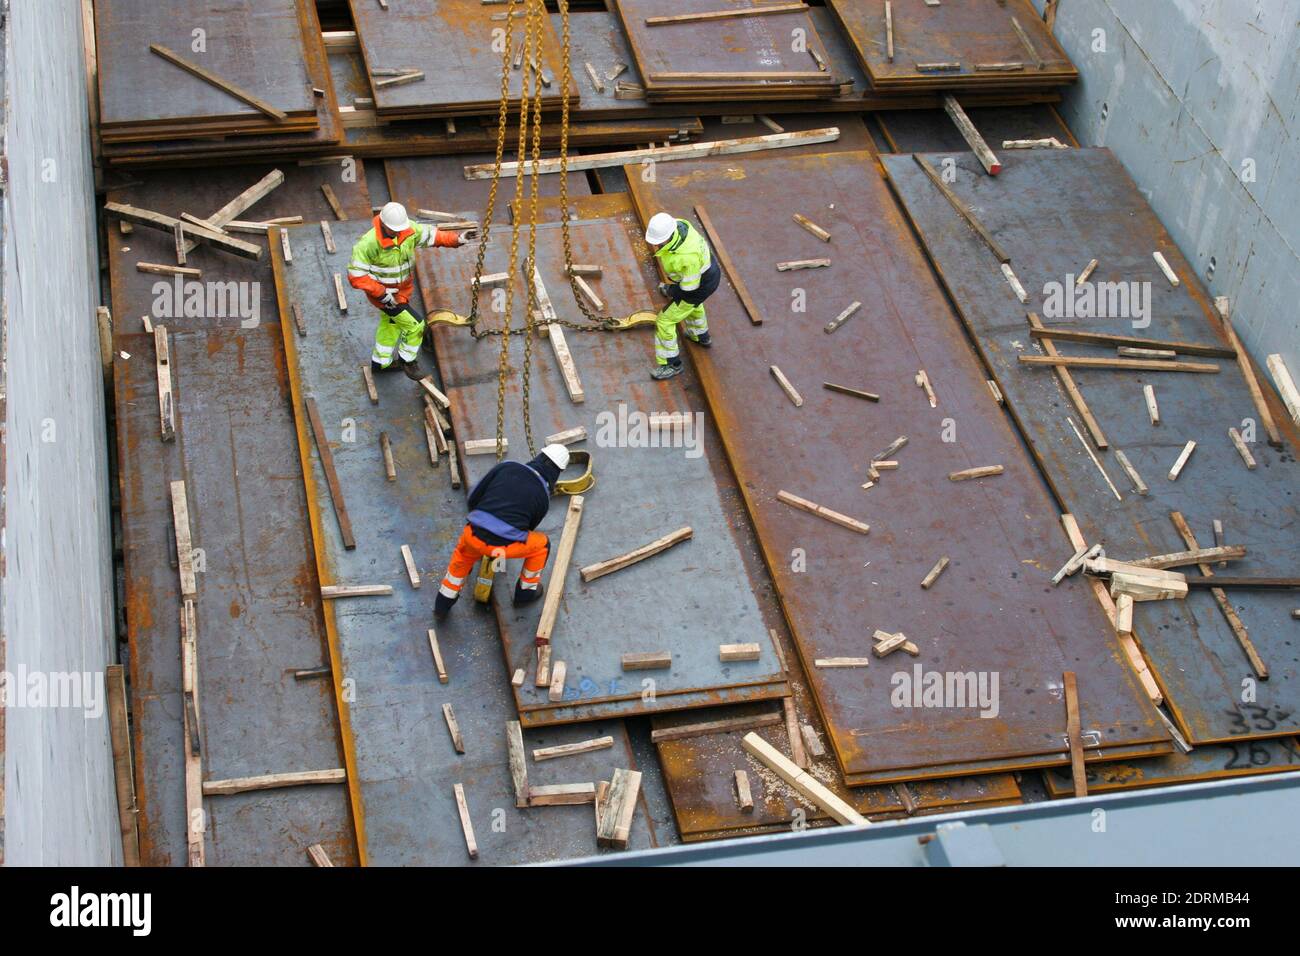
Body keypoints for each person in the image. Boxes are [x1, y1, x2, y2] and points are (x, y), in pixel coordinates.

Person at [434, 444, 571, 621]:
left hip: (473, 536)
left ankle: (442, 604)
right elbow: (528, 528)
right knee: (542, 545)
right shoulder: (543, 496)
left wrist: (485, 520)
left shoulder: (506, 467)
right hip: (505, 547)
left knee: (462, 559)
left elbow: (474, 497)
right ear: (558, 472)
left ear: (539, 456)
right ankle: (525, 593)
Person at [348, 202, 467, 380]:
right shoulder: (368, 244)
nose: (398, 233)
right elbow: (356, 276)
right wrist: (381, 293)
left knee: (391, 325)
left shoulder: (408, 231)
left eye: (399, 229)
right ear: (383, 224)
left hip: (402, 292)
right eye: (393, 230)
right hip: (384, 297)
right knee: (415, 325)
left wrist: (457, 239)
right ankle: (408, 362)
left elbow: (432, 236)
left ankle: (381, 363)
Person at [643, 211, 721, 381]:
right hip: (709, 274)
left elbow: (689, 289)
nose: (656, 246)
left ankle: (672, 364)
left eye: (658, 242)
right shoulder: (679, 224)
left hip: (698, 286)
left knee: (665, 320)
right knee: (694, 306)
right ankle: (700, 336)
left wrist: (671, 290)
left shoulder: (687, 257)